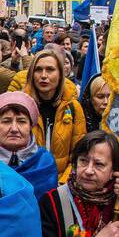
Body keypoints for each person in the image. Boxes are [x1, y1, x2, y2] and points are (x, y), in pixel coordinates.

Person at [22, 48, 86, 182]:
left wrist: (63, 183)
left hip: (63, 185)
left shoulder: (73, 107)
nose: (43, 75)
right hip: (29, 182)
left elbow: (79, 154)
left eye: (50, 70)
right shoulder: (22, 106)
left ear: (60, 74)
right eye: (38, 70)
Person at [0, 92, 58, 199]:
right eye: (6, 121)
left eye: (21, 121)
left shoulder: (44, 162)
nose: (14, 129)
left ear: (30, 127)